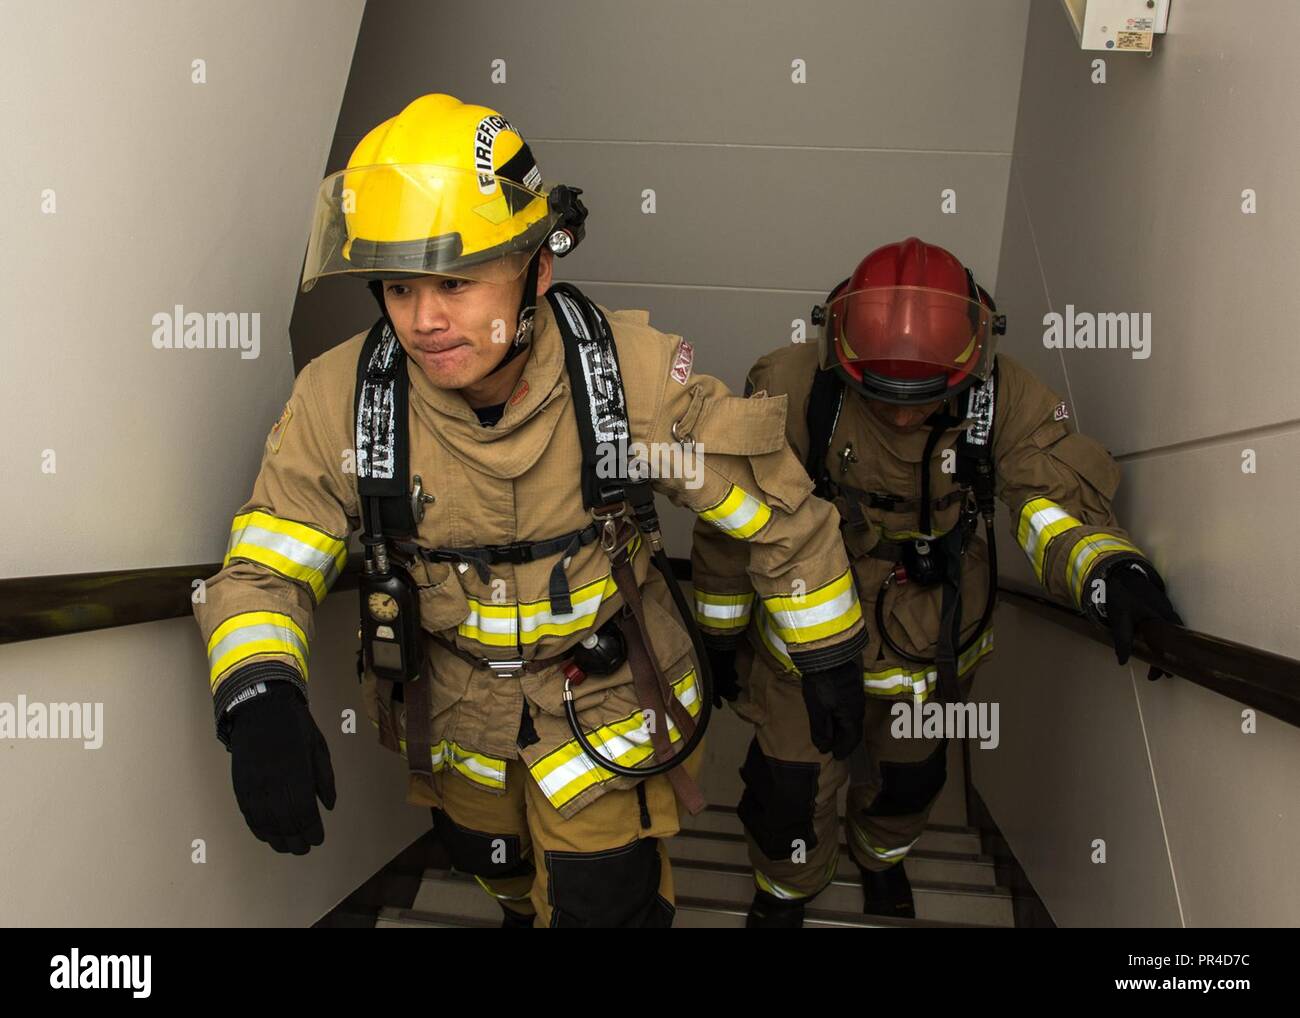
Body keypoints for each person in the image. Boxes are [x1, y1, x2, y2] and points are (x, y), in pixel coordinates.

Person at [192, 93, 867, 927]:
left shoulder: (627, 382)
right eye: (399, 286)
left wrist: (828, 652)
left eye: (456, 282)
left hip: (610, 706)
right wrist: (258, 694)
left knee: (604, 904)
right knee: (495, 873)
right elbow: (267, 565)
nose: (423, 320)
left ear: (538, 268)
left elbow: (780, 518)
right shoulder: (344, 400)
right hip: (454, 717)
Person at [691, 237, 1182, 926]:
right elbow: (733, 516)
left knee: (908, 784)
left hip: (932, 639)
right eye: (881, 396)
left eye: (921, 399)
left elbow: (1049, 496)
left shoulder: (1003, 397)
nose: (898, 415)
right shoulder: (793, 385)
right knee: (786, 794)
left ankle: (879, 861)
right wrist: (718, 633)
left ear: (971, 361)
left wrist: (1108, 568)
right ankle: (785, 894)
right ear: (840, 351)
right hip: (802, 642)